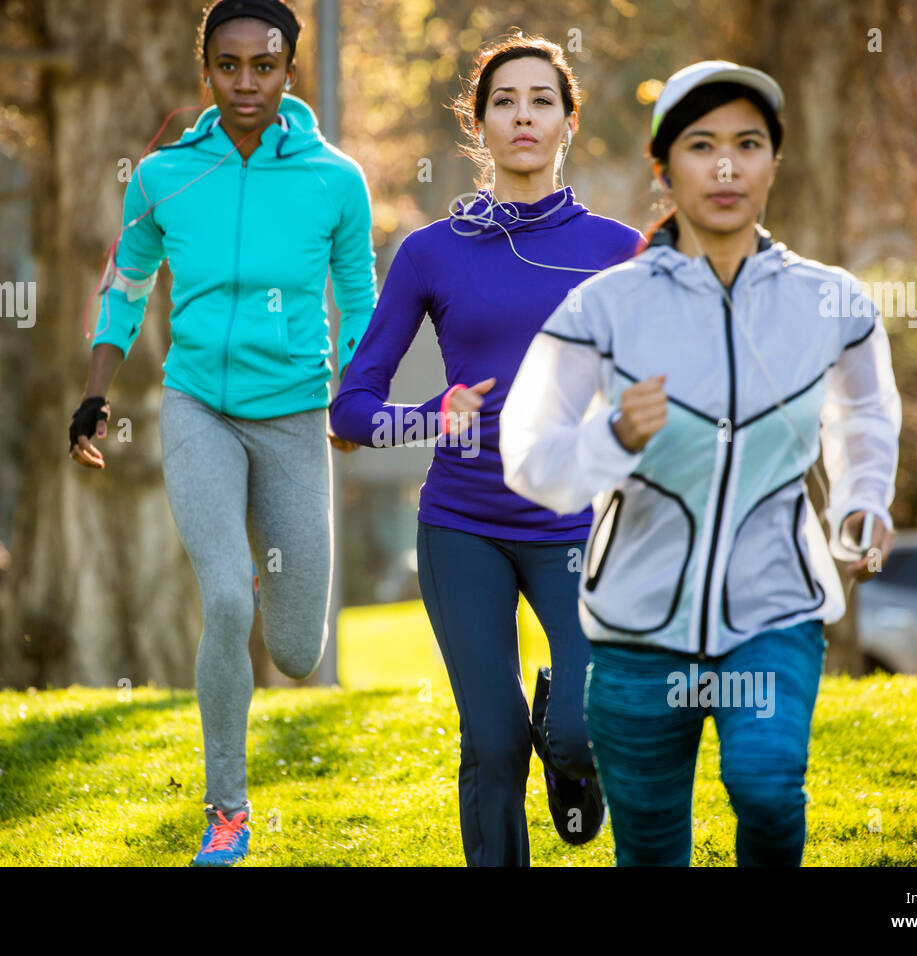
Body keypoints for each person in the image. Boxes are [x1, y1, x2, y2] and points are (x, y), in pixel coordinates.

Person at [500, 60, 902, 866]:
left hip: (776, 606)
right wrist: (611, 436)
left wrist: (862, 502)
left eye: (748, 145)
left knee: (766, 785)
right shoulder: (603, 305)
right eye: (701, 145)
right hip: (638, 623)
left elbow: (863, 411)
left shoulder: (832, 302)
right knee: (649, 847)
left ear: (773, 163)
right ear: (664, 168)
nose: (726, 167)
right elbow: (529, 453)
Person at [68, 0, 376, 867]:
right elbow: (124, 285)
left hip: (294, 414)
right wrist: (97, 390)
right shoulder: (165, 177)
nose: (247, 82)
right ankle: (228, 811)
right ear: (205, 70)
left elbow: (359, 298)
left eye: (265, 66)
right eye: (230, 65)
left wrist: (356, 395)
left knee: (295, 648)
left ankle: (271, 667)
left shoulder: (334, 180)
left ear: (288, 72)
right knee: (228, 599)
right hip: (197, 406)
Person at [330, 33, 642, 867]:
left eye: (542, 100)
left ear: (569, 122)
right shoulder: (431, 252)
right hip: (463, 526)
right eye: (505, 101)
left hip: (578, 528)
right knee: (493, 744)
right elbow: (352, 413)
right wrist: (432, 417)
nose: (524, 116)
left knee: (578, 732)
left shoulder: (620, 252)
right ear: (481, 126)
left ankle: (572, 759)